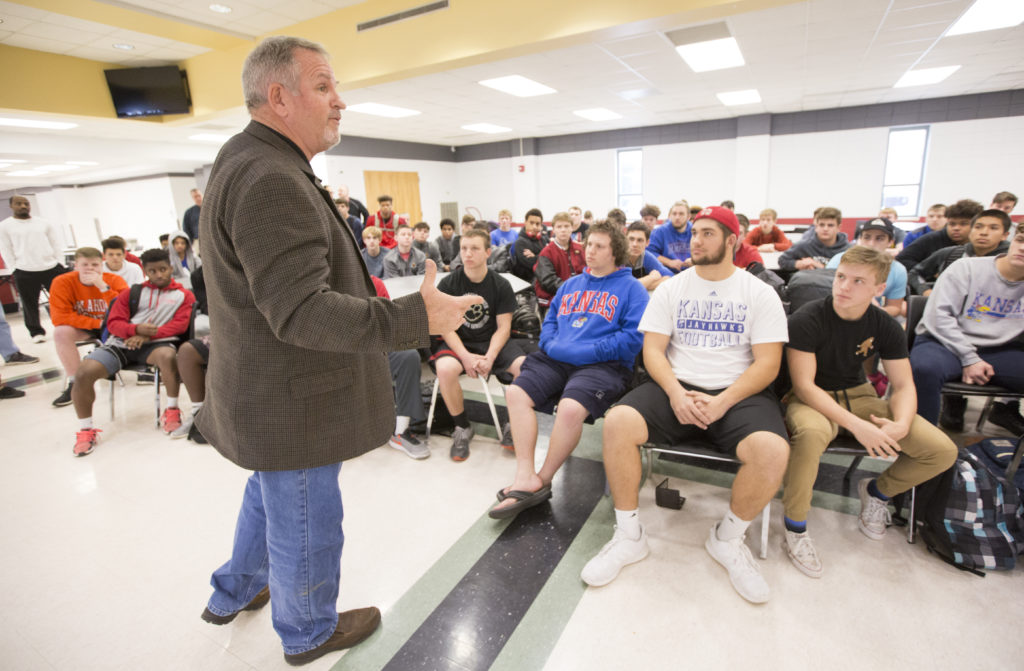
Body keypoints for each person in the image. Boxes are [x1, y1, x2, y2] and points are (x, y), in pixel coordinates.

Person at [193, 35, 477, 667]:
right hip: (294, 396)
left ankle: (234, 589)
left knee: (270, 491)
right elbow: (302, 311)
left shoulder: (250, 158)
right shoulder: (271, 177)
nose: (339, 100)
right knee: (303, 511)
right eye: (323, 86)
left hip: (266, 387)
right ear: (279, 97)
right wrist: (415, 315)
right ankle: (308, 630)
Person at [581, 206, 789, 604]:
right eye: (695, 233)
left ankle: (727, 539)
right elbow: (654, 351)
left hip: (737, 392)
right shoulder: (673, 287)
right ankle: (629, 536)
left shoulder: (758, 292)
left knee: (772, 451)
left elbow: (768, 364)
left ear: (732, 241)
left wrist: (722, 401)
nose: (696, 240)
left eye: (708, 233)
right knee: (618, 423)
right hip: (675, 385)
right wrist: (676, 393)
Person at [781, 246, 957, 578]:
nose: (844, 287)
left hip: (861, 396)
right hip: (812, 399)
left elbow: (903, 385)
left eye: (858, 281)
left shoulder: (885, 325)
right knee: (812, 434)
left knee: (941, 450)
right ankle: (795, 525)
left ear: (879, 290)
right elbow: (804, 386)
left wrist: (901, 424)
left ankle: (878, 492)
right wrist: (857, 427)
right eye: (841, 277)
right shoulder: (807, 318)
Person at [490, 220, 648, 519]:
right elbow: (550, 319)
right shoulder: (572, 284)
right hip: (558, 358)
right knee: (516, 393)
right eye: (589, 244)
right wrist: (549, 342)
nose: (590, 251)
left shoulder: (633, 290)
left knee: (570, 409)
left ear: (615, 251)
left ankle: (544, 479)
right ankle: (526, 475)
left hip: (604, 364)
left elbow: (631, 340)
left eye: (599, 246)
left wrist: (586, 350)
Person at [70, 248, 194, 454]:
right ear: (145, 271)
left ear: (171, 268)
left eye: (163, 269)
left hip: (156, 345)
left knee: (168, 356)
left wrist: (146, 335)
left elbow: (180, 326)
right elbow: (114, 322)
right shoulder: (131, 293)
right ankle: (86, 429)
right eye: (153, 271)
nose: (159, 274)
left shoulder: (184, 295)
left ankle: (172, 410)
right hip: (120, 345)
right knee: (83, 372)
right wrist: (134, 330)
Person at [909, 222, 1024, 430]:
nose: (1022, 248)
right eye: (1020, 240)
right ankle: (923, 445)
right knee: (924, 369)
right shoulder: (967, 268)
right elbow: (938, 317)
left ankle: (1006, 435)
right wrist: (969, 357)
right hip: (942, 341)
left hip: (999, 349)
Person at [431, 228, 533, 461]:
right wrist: (465, 357)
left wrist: (490, 356)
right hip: (460, 341)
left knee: (524, 367)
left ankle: (512, 423)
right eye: (464, 248)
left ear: (488, 252)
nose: (468, 253)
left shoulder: (500, 285)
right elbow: (445, 328)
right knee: (445, 369)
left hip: (491, 341)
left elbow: (504, 327)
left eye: (475, 248)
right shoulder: (448, 284)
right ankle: (462, 427)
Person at [49, 247, 129, 407]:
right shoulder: (62, 282)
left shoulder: (114, 280)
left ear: (102, 265)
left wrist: (103, 288)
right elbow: (59, 317)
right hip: (85, 326)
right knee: (60, 332)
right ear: (76, 265)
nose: (90, 269)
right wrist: (97, 323)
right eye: (85, 264)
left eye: (95, 265)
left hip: (113, 326)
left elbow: (126, 309)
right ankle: (75, 383)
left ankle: (144, 369)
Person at [371, 275, 430, 460]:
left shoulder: (375, 283)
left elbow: (389, 324)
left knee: (409, 356)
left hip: (374, 349)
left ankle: (401, 431)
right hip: (341, 354)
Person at [0, 195, 66, 341]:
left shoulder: (43, 223)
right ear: (11, 206)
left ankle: (65, 326)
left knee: (61, 300)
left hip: (51, 267)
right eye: (19, 204)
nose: (23, 206)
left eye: (26, 203)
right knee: (30, 304)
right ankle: (36, 332)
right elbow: (5, 248)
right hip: (24, 270)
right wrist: (14, 268)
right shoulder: (5, 226)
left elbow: (55, 243)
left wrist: (59, 262)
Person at [908, 208, 1011, 296]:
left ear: (1005, 235)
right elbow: (915, 273)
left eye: (993, 228)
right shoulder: (950, 254)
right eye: (978, 227)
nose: (984, 233)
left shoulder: (1011, 261)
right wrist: (925, 291)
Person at [825, 218, 906, 317]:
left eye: (879, 238)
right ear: (860, 239)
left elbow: (895, 307)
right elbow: (822, 293)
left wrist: (873, 311)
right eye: (867, 237)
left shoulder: (898, 270)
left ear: (890, 242)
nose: (871, 244)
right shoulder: (839, 260)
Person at [895, 199, 982, 269]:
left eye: (963, 224)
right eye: (952, 224)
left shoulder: (982, 242)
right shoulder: (930, 239)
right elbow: (902, 259)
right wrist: (929, 271)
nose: (956, 228)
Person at [534, 211, 584, 309]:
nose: (563, 230)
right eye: (559, 227)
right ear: (553, 230)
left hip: (579, 298)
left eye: (566, 226)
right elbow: (548, 281)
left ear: (572, 228)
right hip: (553, 300)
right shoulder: (546, 253)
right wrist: (573, 289)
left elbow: (587, 272)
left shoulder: (580, 249)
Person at [778, 206, 850, 271]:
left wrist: (818, 266)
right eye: (821, 225)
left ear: (838, 228)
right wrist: (798, 264)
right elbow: (782, 260)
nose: (825, 229)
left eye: (830, 225)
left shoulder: (848, 251)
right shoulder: (803, 245)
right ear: (816, 227)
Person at [647, 199, 692, 274]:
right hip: (668, 273)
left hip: (690, 272)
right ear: (669, 216)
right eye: (674, 214)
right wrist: (669, 262)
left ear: (688, 217)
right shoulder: (660, 232)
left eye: (681, 214)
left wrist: (694, 261)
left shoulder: (695, 231)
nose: (677, 217)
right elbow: (649, 252)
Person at [625, 221, 671, 290]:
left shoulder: (646, 257)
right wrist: (651, 278)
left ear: (647, 243)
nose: (635, 244)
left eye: (640, 240)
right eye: (631, 239)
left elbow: (669, 277)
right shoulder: (617, 257)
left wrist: (644, 285)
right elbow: (623, 288)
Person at [511, 208, 545, 283]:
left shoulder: (543, 240)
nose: (534, 227)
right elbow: (531, 264)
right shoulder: (520, 242)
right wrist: (543, 256)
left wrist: (535, 256)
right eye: (531, 223)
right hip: (527, 282)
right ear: (525, 222)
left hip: (543, 277)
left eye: (537, 224)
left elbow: (552, 259)